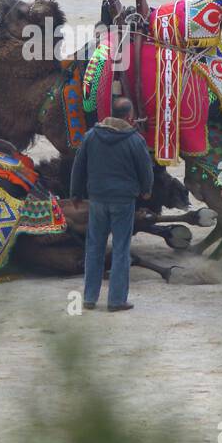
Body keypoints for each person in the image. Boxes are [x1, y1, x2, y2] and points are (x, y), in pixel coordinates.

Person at [69, 97, 154, 312]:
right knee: (120, 249)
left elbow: (78, 166)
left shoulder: (91, 136)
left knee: (94, 247)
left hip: (97, 199)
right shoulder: (135, 140)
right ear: (129, 117)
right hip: (123, 201)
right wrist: (146, 190)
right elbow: (146, 170)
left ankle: (89, 297)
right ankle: (116, 300)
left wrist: (75, 194)